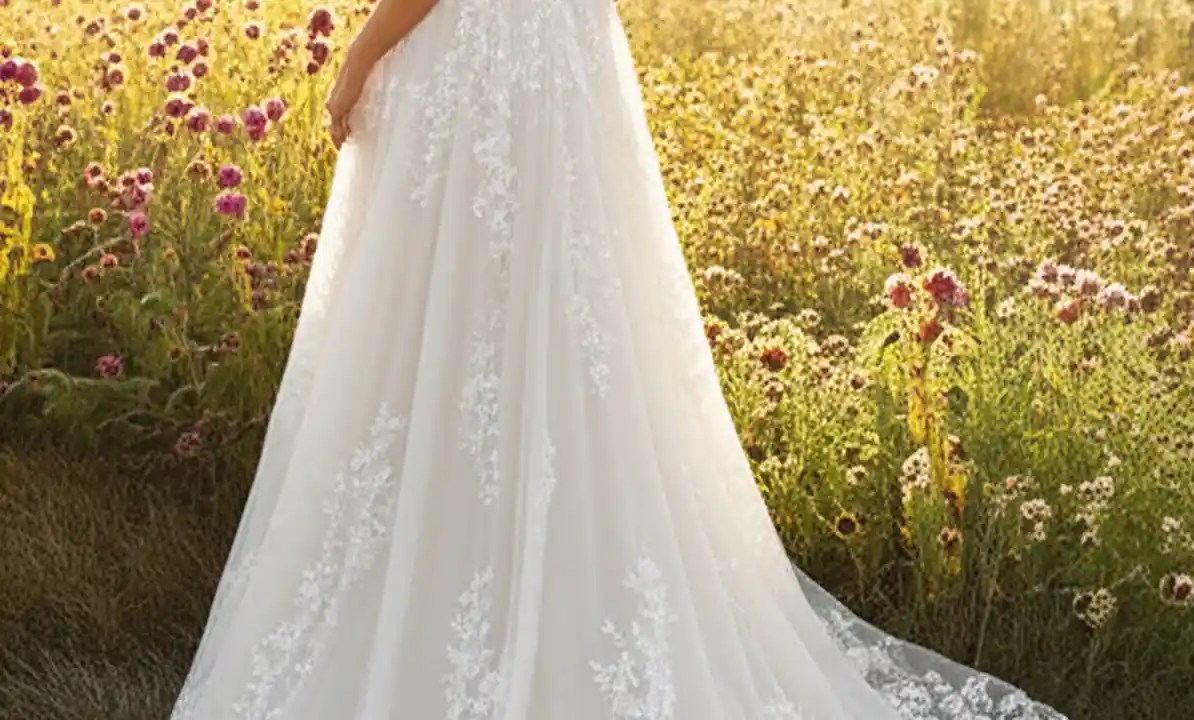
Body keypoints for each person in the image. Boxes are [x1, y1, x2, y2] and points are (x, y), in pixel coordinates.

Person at [170, 0, 1068, 717]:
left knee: (450, 337)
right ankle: (540, 577)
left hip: (479, 63)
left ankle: (438, 594)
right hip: (564, 63)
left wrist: (362, 54)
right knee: (550, 328)